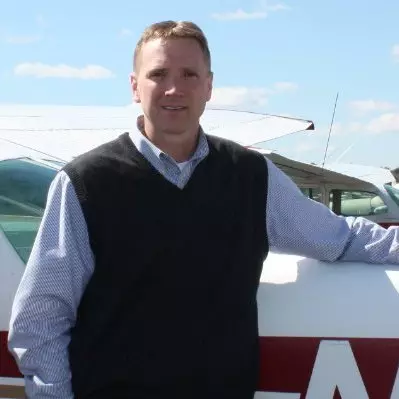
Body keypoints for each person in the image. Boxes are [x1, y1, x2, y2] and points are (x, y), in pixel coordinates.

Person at [8, 20, 399, 399]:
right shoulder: (85, 183)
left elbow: (340, 238)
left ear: (209, 86)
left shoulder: (250, 177)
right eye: (158, 74)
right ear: (134, 86)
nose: (174, 89)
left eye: (190, 75)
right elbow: (40, 317)